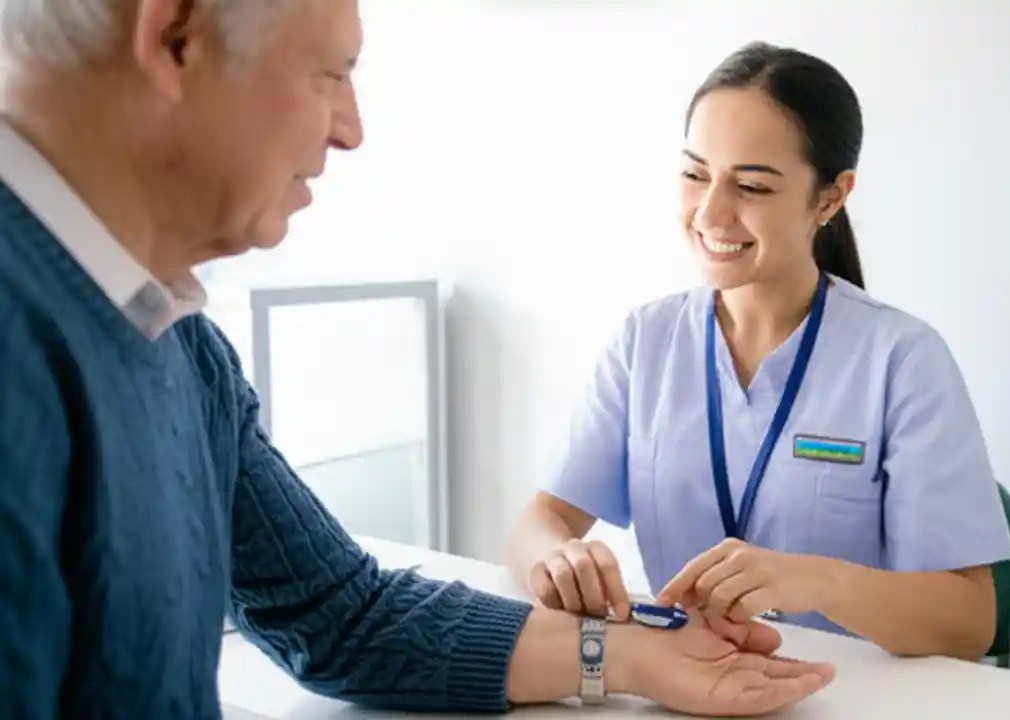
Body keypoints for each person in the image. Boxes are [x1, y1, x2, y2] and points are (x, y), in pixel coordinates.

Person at [0, 2, 836, 717]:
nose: (351, 129)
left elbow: (341, 616)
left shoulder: (179, 342)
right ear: (175, 34)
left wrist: (624, 656)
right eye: (332, 74)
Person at [508, 41, 1010, 661]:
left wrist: (817, 579)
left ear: (830, 198)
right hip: (678, 685)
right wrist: (558, 558)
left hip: (844, 695)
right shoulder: (646, 342)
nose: (712, 213)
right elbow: (540, 522)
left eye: (751, 185)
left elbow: (968, 624)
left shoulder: (902, 360)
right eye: (695, 174)